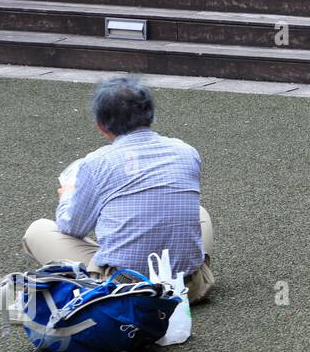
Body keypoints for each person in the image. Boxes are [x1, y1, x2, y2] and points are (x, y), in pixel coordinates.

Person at [22, 77, 215, 304]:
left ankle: (96, 288)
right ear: (150, 115)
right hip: (188, 286)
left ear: (101, 125)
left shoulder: (96, 163)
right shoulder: (186, 152)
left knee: (37, 231)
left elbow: (72, 227)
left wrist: (67, 196)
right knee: (199, 213)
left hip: (124, 290)